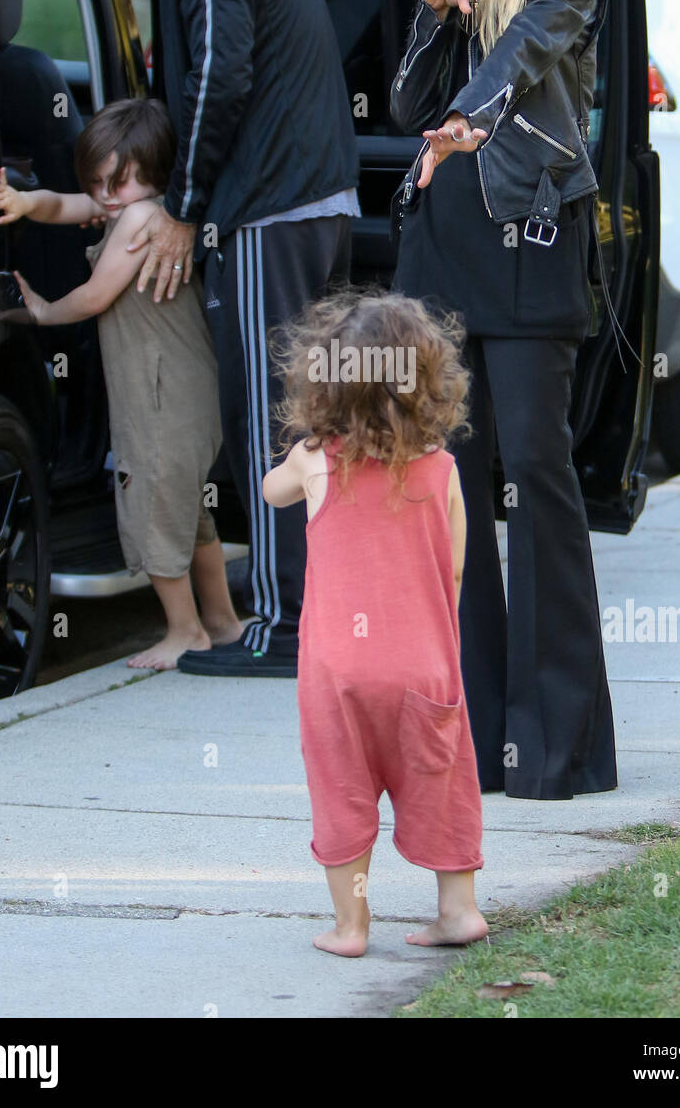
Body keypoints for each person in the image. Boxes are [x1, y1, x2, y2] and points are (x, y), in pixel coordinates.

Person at [95, 0, 359, 677]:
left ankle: (282, 630)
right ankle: (309, 614)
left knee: (269, 418)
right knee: (301, 414)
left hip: (269, 206)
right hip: (301, 202)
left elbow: (218, 77)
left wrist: (185, 206)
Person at [389, 0, 619, 800]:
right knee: (452, 493)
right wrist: (438, 15)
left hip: (529, 239)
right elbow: (405, 104)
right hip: (444, 251)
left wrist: (466, 114)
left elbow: (521, 64)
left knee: (536, 472)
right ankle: (478, 739)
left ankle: (557, 741)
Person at [262, 289, 487, 957]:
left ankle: (351, 926)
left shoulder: (312, 462)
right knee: (442, 783)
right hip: (422, 663)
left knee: (342, 790)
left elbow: (271, 490)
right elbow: (453, 573)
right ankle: (458, 910)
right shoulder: (442, 469)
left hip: (337, 672)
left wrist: (304, 454)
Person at [0, 97, 242, 669]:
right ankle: (221, 622)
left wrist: (44, 312)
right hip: (184, 394)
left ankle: (184, 631)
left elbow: (98, 295)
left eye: (114, 182)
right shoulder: (135, 206)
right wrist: (24, 201)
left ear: (150, 173)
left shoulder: (141, 218)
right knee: (190, 513)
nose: (101, 195)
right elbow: (64, 205)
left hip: (159, 396)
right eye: (96, 182)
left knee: (152, 509)